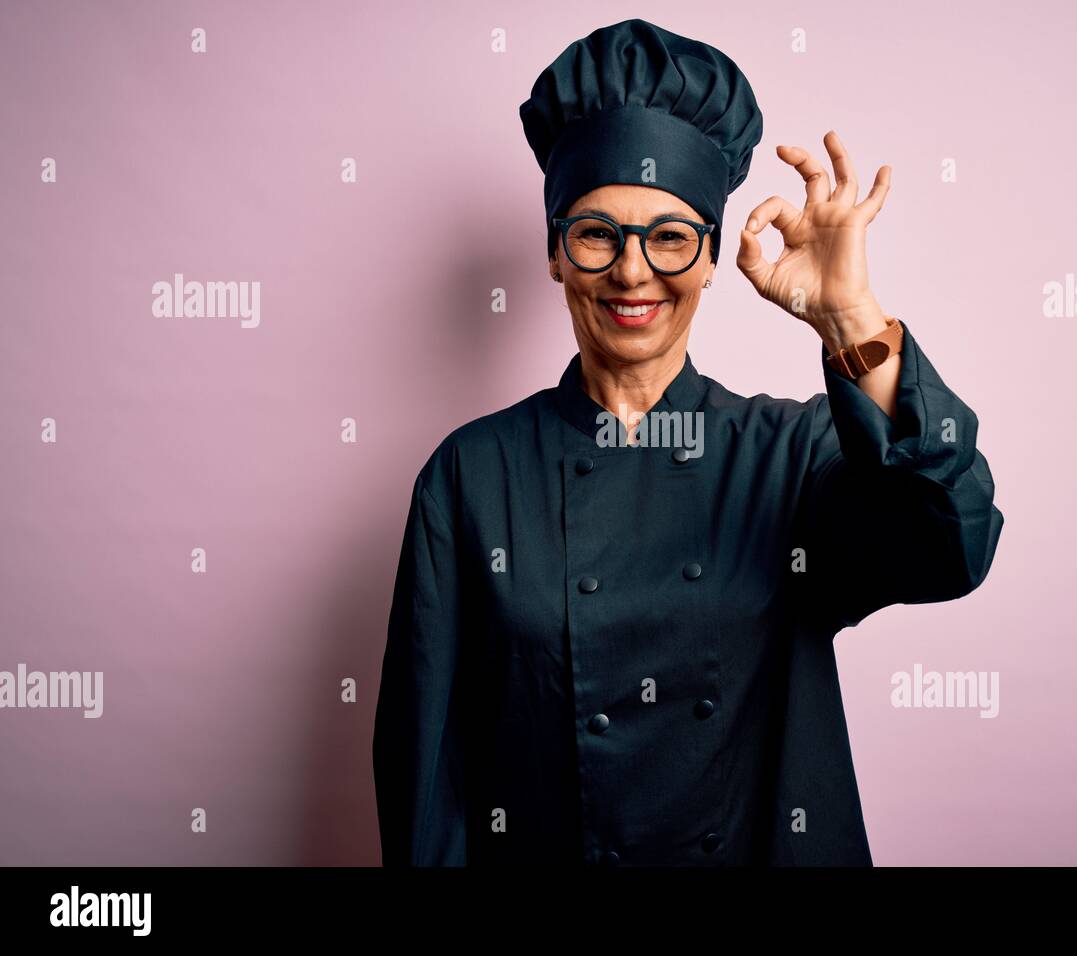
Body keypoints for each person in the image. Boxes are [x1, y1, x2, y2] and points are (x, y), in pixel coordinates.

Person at [372, 17, 1004, 866]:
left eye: (670, 236)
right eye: (597, 233)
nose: (633, 273)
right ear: (556, 254)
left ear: (710, 258)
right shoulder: (471, 476)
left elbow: (951, 544)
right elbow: (426, 771)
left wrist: (850, 316)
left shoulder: (794, 455)